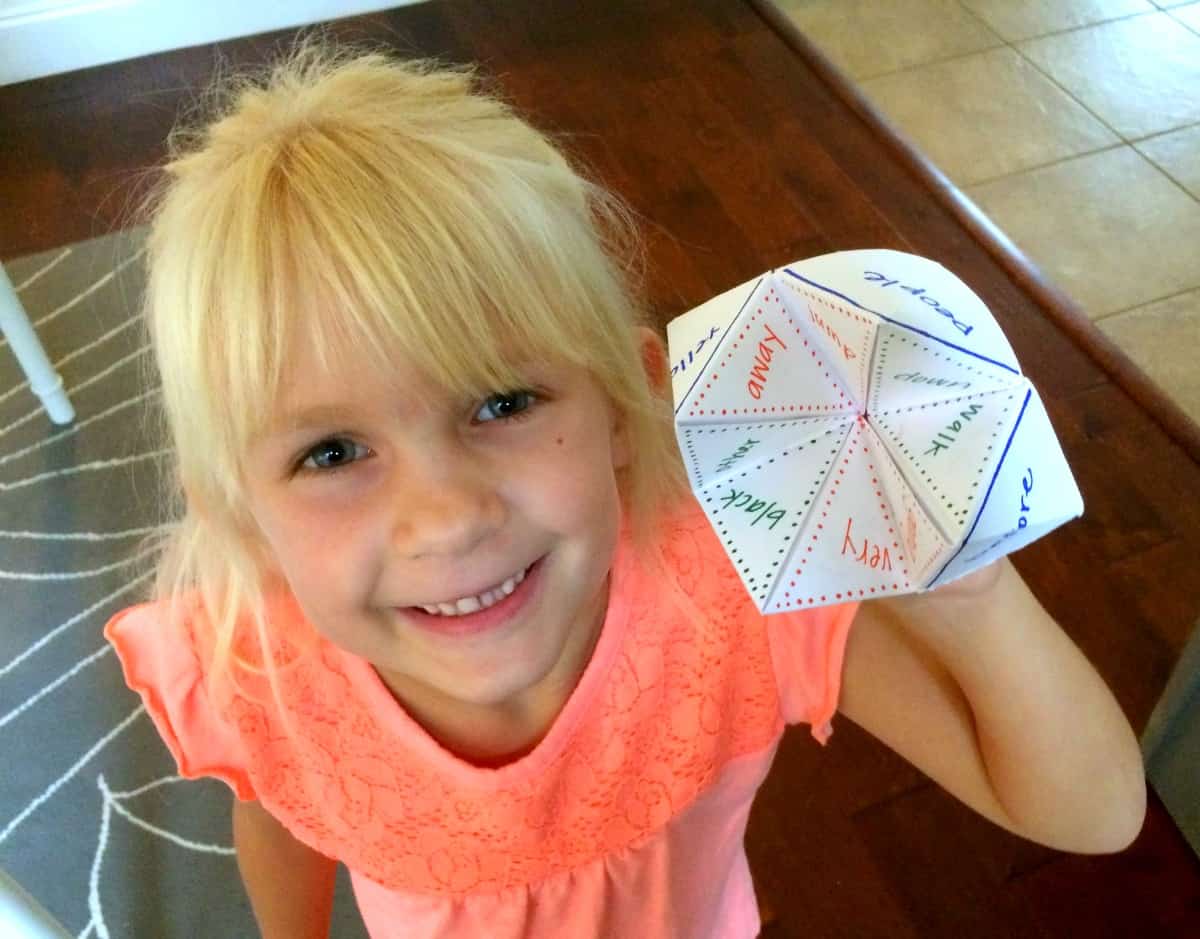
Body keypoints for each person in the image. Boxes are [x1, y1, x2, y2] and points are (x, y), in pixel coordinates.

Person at [103, 34, 1147, 939]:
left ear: (624, 403)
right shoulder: (258, 665)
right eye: (331, 453)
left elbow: (1090, 814)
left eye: (504, 402)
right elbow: (287, 813)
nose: (449, 517)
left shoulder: (738, 589)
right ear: (236, 506)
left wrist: (959, 584)